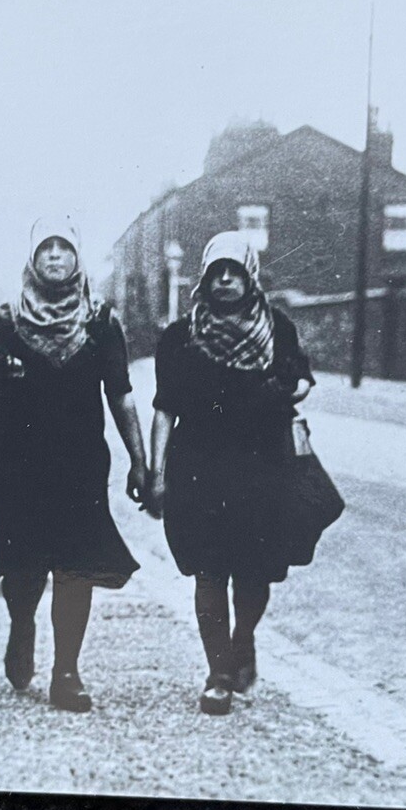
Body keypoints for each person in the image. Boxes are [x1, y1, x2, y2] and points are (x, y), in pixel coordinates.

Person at [0, 217, 152, 713]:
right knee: (23, 568)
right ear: (32, 259)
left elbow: (121, 396)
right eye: (45, 248)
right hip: (18, 465)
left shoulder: (101, 323)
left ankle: (66, 672)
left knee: (75, 567)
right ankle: (21, 628)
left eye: (64, 248)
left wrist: (140, 460)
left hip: (79, 466)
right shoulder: (4, 322)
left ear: (77, 258)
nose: (55, 256)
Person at [145, 231, 317, 716]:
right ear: (204, 278)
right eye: (216, 273)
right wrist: (157, 473)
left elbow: (300, 377)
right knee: (209, 570)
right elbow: (164, 410)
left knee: (254, 571)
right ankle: (218, 672)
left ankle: (243, 639)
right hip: (198, 466)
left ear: (250, 277)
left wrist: (292, 386)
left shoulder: (276, 327)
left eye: (234, 272)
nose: (224, 281)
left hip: (262, 465)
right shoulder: (181, 337)